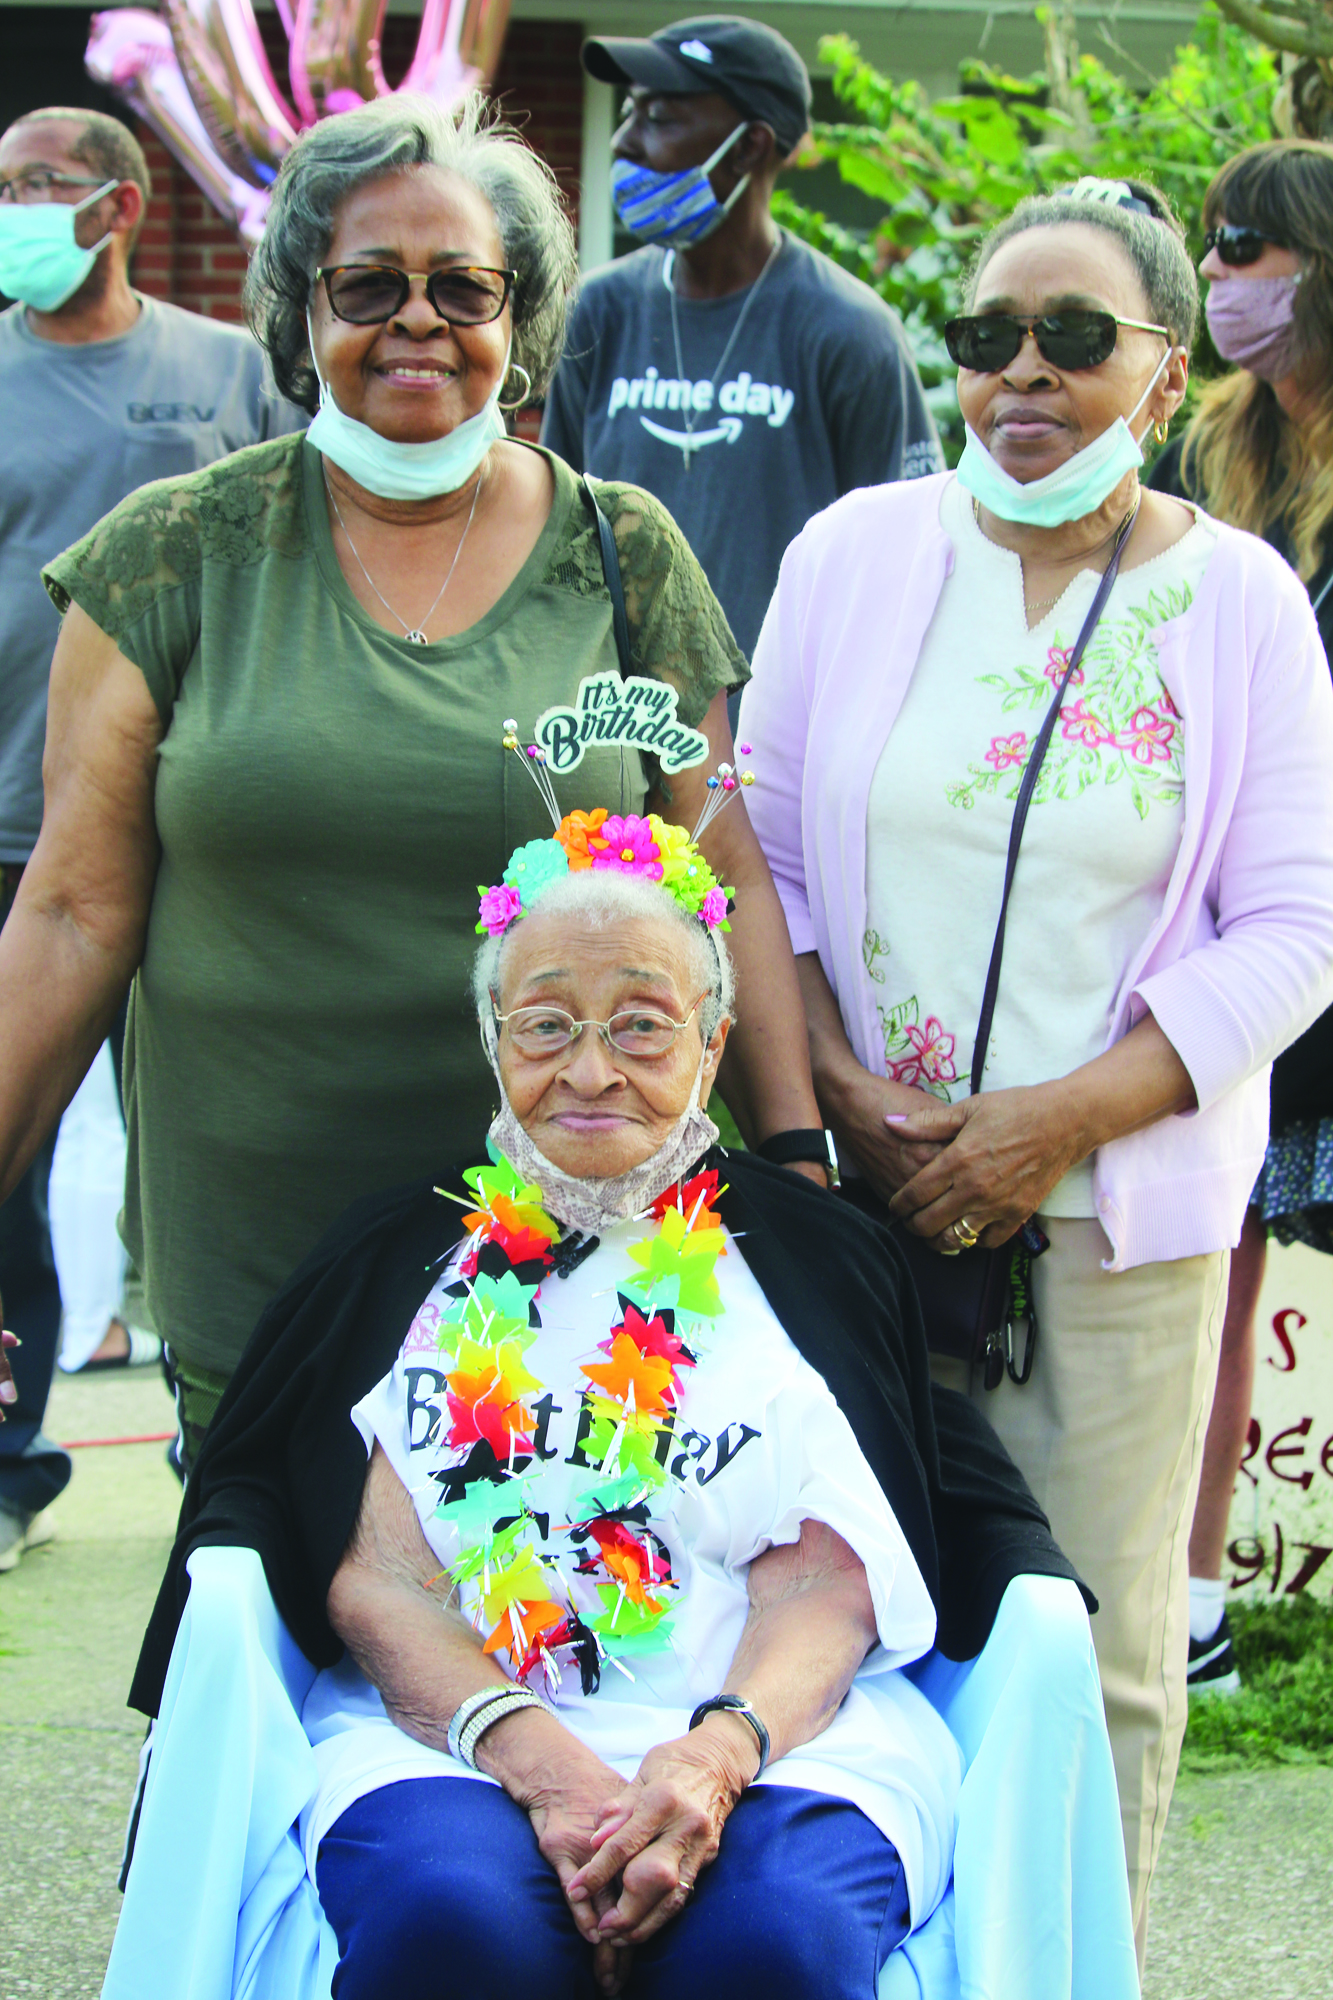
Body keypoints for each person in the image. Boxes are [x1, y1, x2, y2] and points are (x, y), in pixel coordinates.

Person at [120, 808, 1129, 2000]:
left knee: (771, 1947)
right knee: (455, 1933)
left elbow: (821, 1583)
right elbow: (382, 1578)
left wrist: (711, 1757)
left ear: (712, 1040)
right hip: (446, 1731)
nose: (591, 1070)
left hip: (776, 1734)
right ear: (494, 1038)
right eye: (546, 1023)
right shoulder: (392, 1263)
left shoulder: (817, 1260)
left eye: (642, 1024)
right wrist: (543, 1765)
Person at [0, 92, 823, 1481]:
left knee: (556, 1610)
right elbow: (71, 916)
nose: (419, 321)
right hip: (260, 1271)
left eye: (463, 286)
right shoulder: (173, 555)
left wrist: (796, 1163)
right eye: (369, 284)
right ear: (301, 309)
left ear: (519, 313)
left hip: (573, 1258)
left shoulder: (623, 553)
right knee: (262, 1611)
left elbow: (722, 869)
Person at [739, 177, 1333, 1960]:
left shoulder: (1239, 601)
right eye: (987, 332)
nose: (1022, 370)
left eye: (1074, 337)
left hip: (1112, 1227)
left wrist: (1049, 1128)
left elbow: (1296, 930)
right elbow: (755, 860)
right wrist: (832, 1099)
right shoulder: (849, 554)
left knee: (1089, 1655)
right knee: (839, 1634)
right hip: (856, 1203)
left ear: (1163, 373)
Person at [0, 105, 300, 1571]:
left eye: (38, 184)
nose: (13, 207)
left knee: (213, 1137)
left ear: (120, 208)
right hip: (15, 826)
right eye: (2, 185)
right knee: (9, 1136)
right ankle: (7, 1459)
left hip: (197, 828)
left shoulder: (229, 370)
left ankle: (229, 1439)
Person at [1148, 138, 1333, 1699]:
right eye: (1212, 248)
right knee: (1219, 1249)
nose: (1218, 278)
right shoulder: (1206, 448)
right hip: (1222, 914)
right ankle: (1188, 1597)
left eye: (1247, 249)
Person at [540, 17, 944, 664]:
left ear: (747, 147)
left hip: (779, 717)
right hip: (610, 711)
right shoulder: (598, 312)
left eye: (658, 117)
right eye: (628, 113)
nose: (623, 141)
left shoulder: (848, 331)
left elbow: (906, 561)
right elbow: (551, 529)